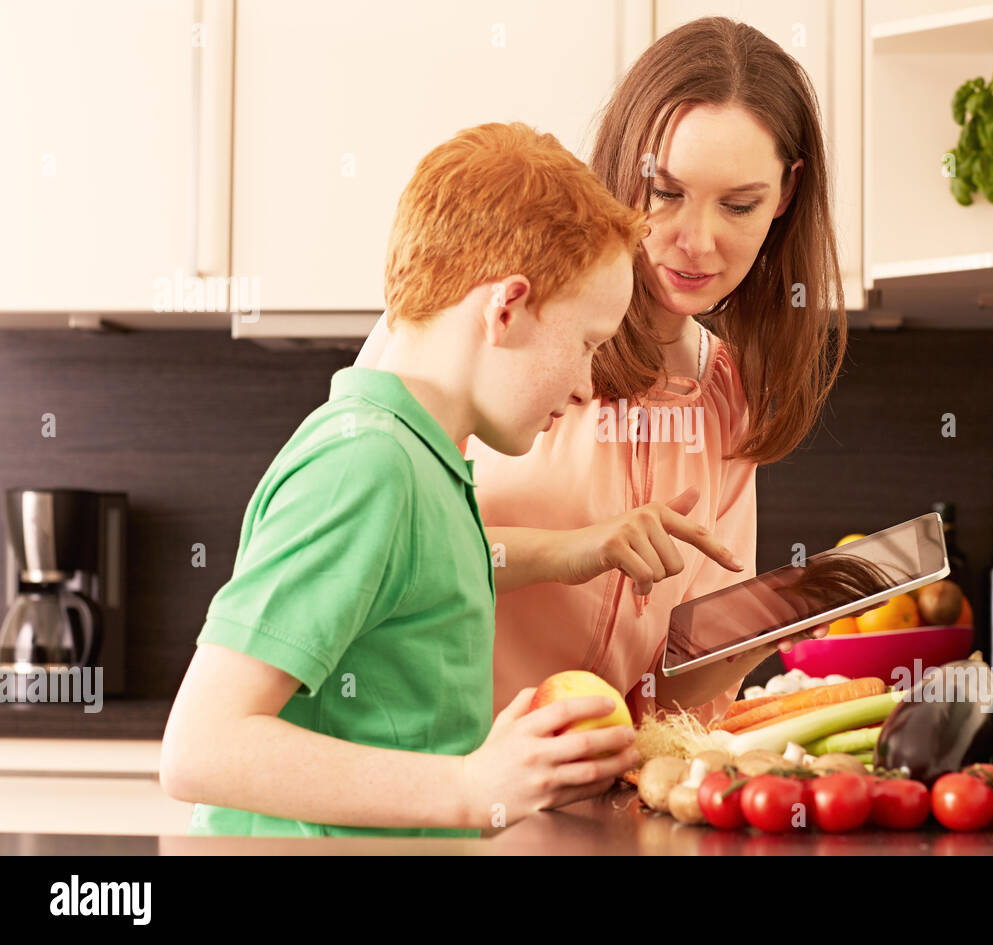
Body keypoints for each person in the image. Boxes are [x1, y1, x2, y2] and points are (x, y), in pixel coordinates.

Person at [356, 18, 848, 726]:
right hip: (447, 796)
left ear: (786, 194)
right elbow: (370, 560)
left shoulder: (726, 393)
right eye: (666, 191)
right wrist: (573, 550)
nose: (696, 241)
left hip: (597, 804)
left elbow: (661, 694)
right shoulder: (486, 323)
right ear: (623, 167)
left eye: (739, 205)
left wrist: (766, 629)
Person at [160, 123, 645, 837]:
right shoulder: (367, 465)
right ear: (505, 308)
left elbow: (418, 575)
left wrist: (574, 552)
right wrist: (471, 785)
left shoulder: (422, 459)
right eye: (586, 344)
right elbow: (202, 745)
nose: (586, 384)